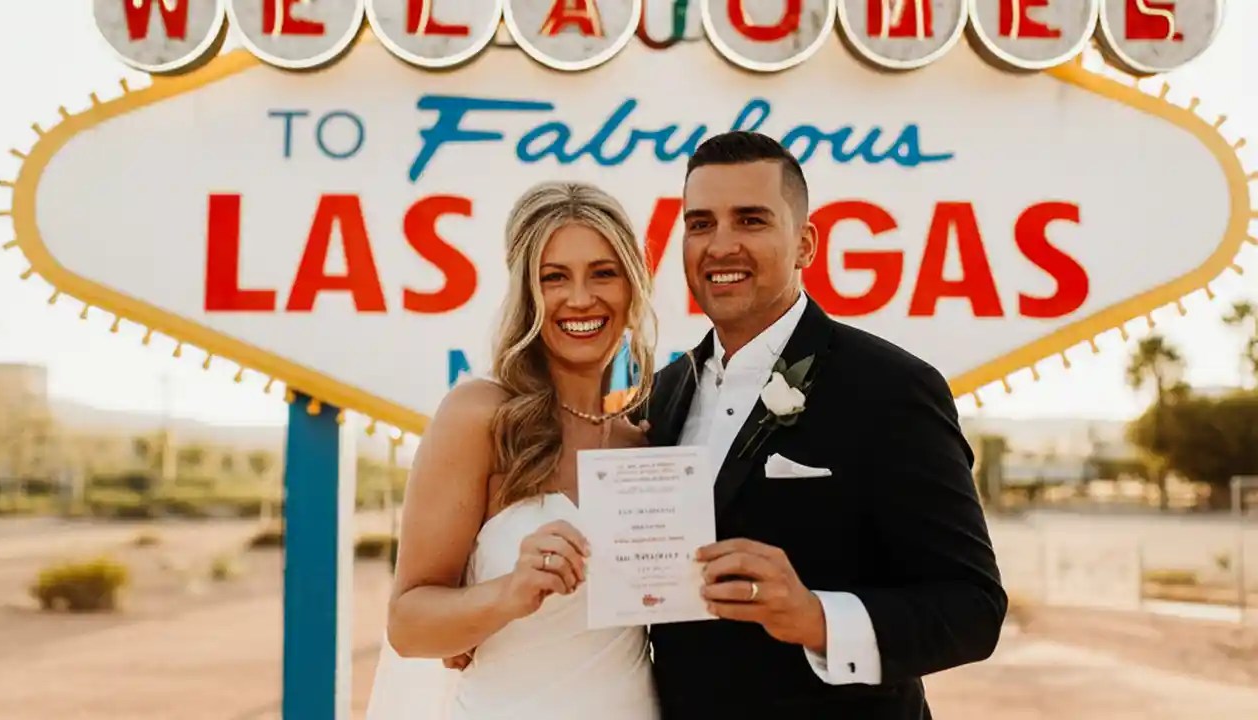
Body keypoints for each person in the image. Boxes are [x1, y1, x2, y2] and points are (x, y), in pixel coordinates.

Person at [637, 131, 1008, 718]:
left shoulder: (891, 387)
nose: (720, 245)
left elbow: (973, 609)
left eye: (751, 220)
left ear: (805, 243)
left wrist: (817, 617)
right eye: (700, 223)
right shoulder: (661, 396)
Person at [385, 181, 660, 719]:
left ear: (633, 287)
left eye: (603, 273)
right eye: (553, 277)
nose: (580, 298)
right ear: (525, 292)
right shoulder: (478, 415)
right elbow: (407, 626)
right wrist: (509, 593)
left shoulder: (645, 443)